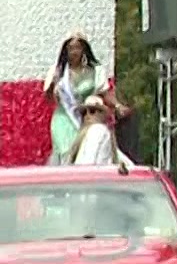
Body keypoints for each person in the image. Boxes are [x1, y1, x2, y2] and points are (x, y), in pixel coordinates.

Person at [43, 32, 125, 166]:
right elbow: (48, 98)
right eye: (70, 48)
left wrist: (118, 106)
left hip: (86, 117)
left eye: (78, 47)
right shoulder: (58, 70)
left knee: (89, 151)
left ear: (84, 49)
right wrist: (53, 83)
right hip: (65, 118)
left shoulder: (95, 70)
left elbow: (105, 93)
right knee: (67, 151)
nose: (74, 52)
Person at [68, 95, 123, 166]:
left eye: (92, 111)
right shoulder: (87, 133)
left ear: (102, 114)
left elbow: (88, 161)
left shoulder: (98, 129)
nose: (87, 115)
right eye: (84, 113)